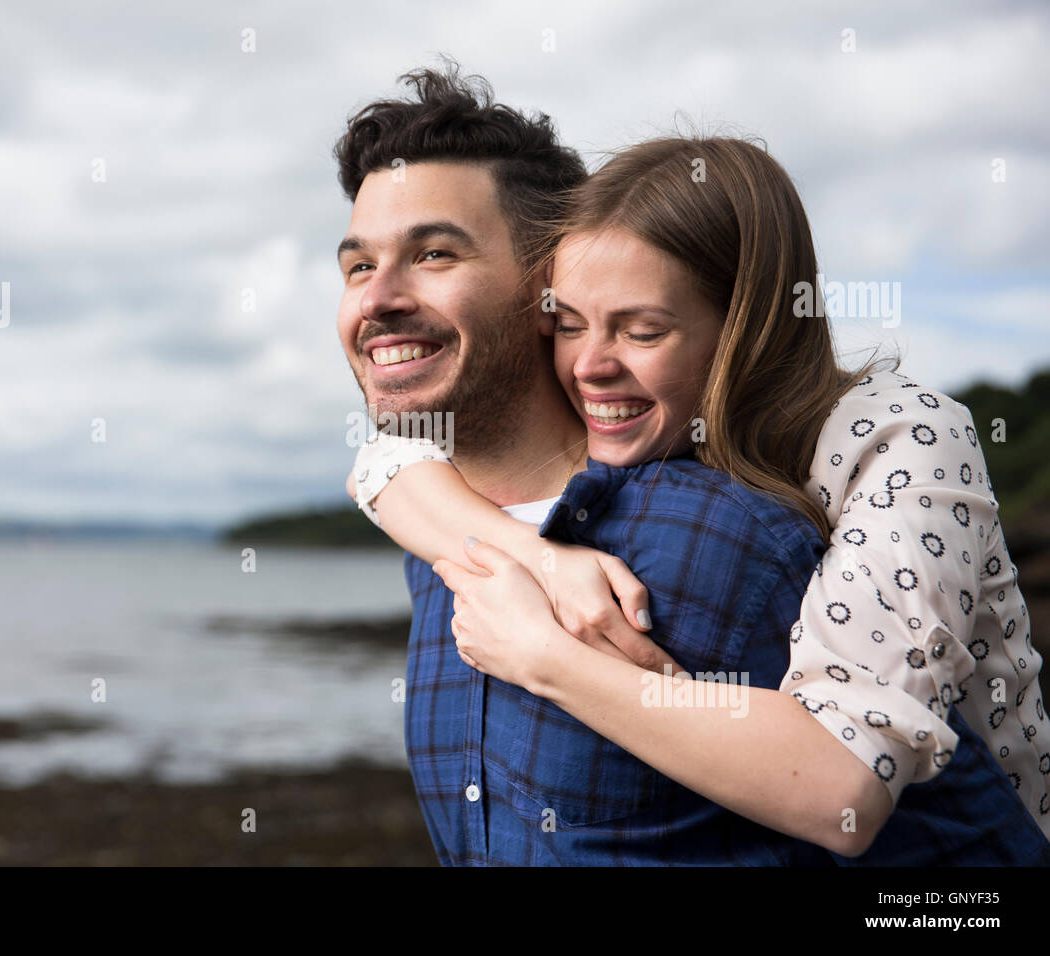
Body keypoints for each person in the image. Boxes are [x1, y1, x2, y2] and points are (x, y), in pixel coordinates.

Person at [337, 66, 1050, 864]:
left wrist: (545, 654)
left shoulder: (892, 441)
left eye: (641, 329)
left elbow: (841, 783)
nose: (592, 363)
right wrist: (535, 560)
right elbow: (384, 461)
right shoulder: (556, 463)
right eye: (572, 323)